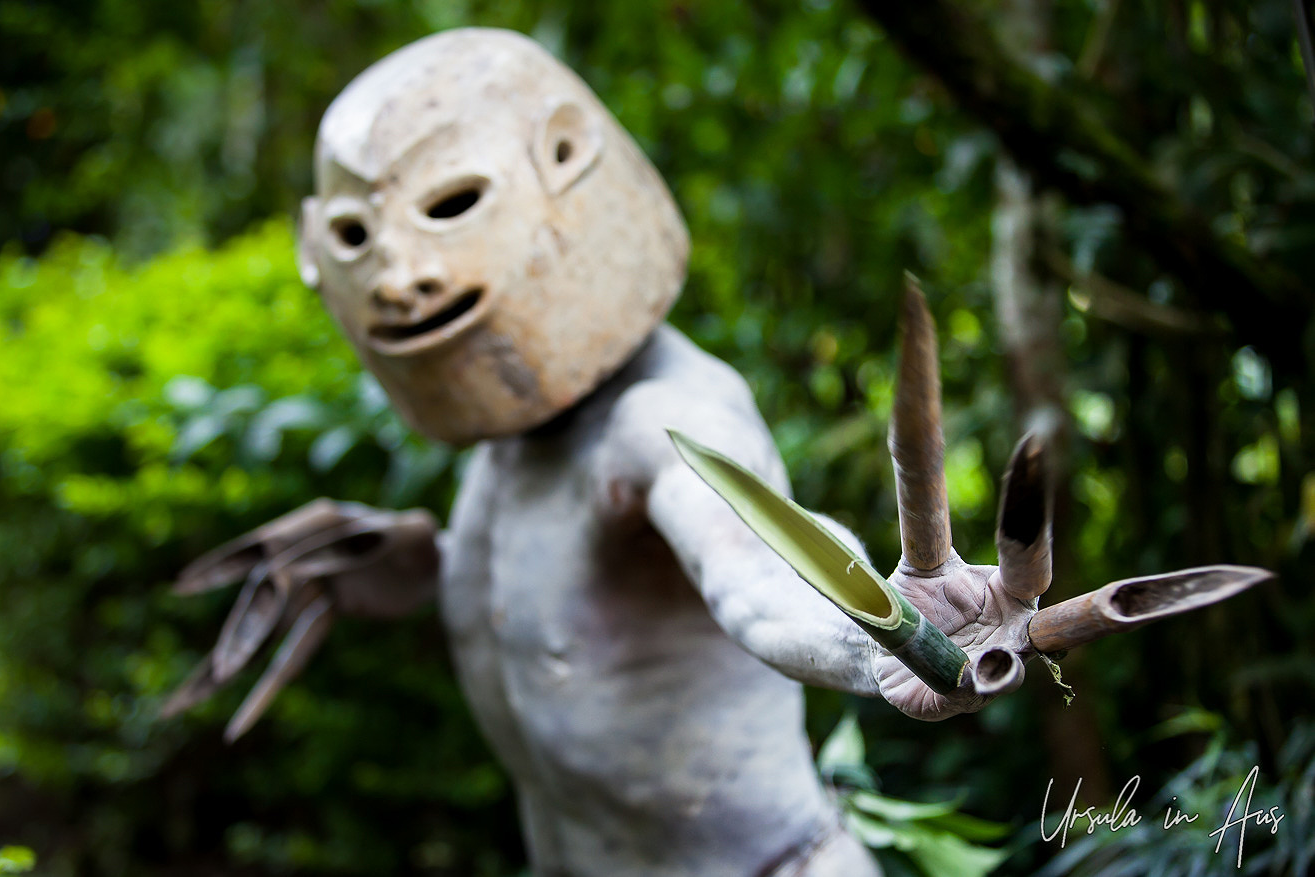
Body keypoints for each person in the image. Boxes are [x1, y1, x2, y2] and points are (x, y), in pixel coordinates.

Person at [167, 28, 1047, 876]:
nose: (396, 280)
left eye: (450, 205)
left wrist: (882, 635)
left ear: (563, 160)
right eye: (358, 236)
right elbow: (583, 615)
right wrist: (432, 564)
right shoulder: (513, 442)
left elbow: (751, 571)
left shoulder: (664, 416)